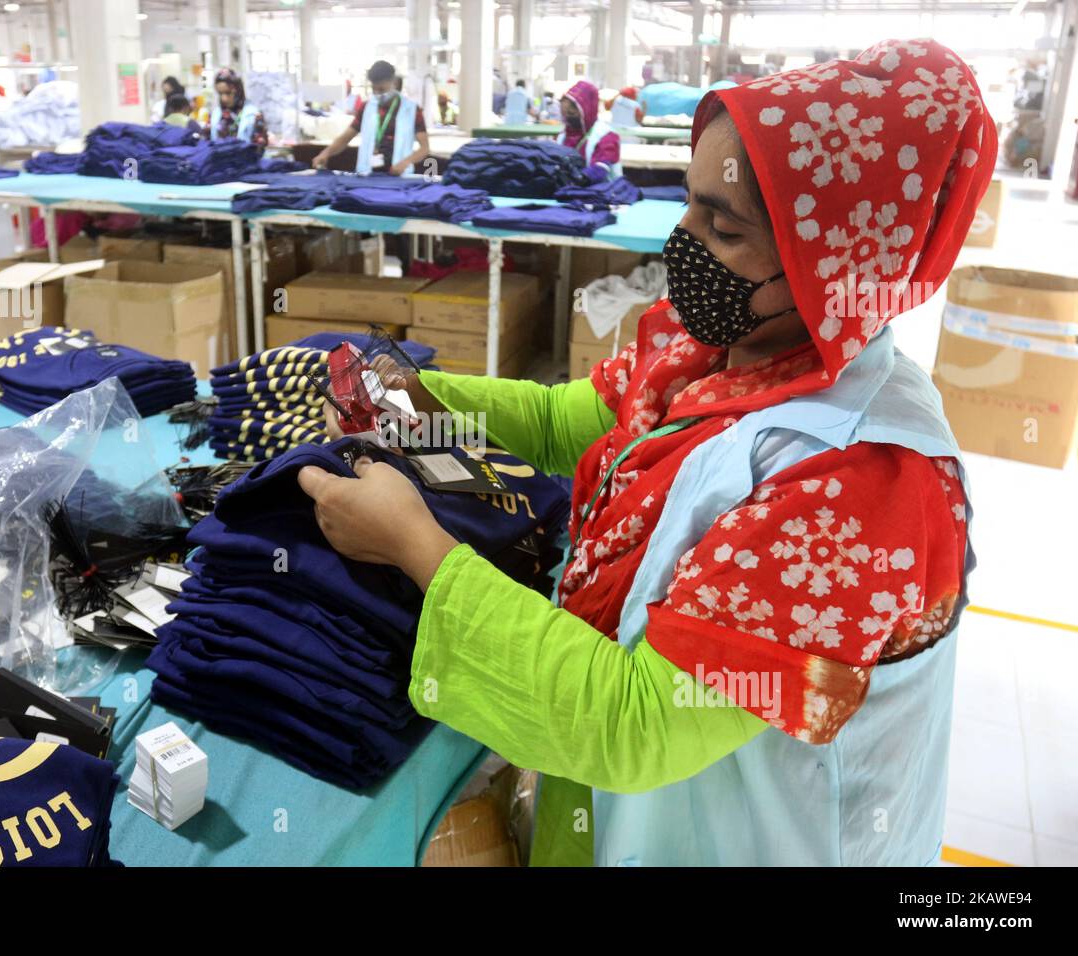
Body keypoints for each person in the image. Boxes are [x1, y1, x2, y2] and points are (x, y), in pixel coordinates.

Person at [299, 38, 995, 867]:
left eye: (722, 224)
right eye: (690, 204)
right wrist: (426, 409)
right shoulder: (721, 350)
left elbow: (634, 726)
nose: (683, 241)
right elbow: (572, 422)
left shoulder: (864, 484)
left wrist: (415, 543)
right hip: (628, 818)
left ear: (830, 262)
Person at [312, 59, 430, 177]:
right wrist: (325, 154)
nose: (377, 94)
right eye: (374, 89)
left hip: (399, 176)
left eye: (382, 89)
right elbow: (345, 138)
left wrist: (405, 163)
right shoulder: (367, 107)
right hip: (367, 175)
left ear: (394, 83)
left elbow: (424, 149)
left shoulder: (412, 110)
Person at [556, 79, 621, 181]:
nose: (568, 119)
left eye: (572, 114)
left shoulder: (606, 136)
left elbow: (600, 169)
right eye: (565, 115)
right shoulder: (563, 135)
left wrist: (578, 179)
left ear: (587, 110)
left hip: (603, 192)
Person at [212, 68, 268, 147]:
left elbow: (260, 146)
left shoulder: (254, 115)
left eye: (228, 93)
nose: (224, 98)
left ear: (238, 91)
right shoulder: (215, 115)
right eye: (220, 94)